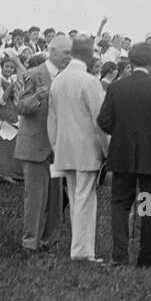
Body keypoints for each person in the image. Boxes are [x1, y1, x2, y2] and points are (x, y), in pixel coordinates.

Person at [97, 42, 151, 268]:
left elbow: (103, 121)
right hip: (150, 159)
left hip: (121, 156)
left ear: (130, 61)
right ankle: (144, 258)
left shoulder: (116, 88)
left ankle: (119, 257)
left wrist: (120, 132)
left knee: (120, 204)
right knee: (146, 204)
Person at [47, 35, 109, 263]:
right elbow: (100, 121)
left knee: (75, 198)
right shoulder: (89, 81)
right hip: (86, 149)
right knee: (85, 199)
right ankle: (82, 251)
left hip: (64, 148)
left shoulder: (58, 80)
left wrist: (55, 146)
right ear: (91, 55)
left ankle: (79, 246)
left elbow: (51, 120)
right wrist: (107, 149)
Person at [15, 34, 70, 253]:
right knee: (36, 198)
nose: (69, 57)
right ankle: (31, 242)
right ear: (53, 52)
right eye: (66, 53)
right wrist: (38, 97)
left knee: (56, 199)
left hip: (57, 149)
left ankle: (51, 240)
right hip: (35, 147)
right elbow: (20, 107)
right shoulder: (31, 75)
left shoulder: (66, 77)